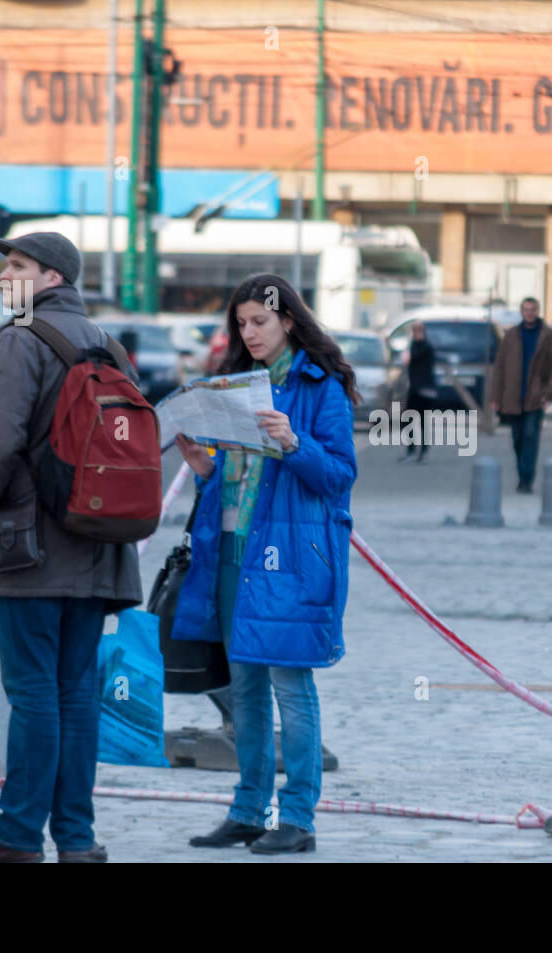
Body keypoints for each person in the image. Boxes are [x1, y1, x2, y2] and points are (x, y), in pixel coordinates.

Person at [0, 232, 143, 864]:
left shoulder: (19, 340)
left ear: (52, 277)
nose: (4, 276)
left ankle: (13, 837)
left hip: (30, 546)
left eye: (16, 267)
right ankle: (77, 839)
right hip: (101, 546)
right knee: (76, 692)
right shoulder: (111, 345)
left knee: (33, 691)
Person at [169, 273, 357, 855]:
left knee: (290, 687)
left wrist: (295, 443)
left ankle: (298, 817)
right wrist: (202, 466)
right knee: (245, 689)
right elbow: (230, 479)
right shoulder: (232, 385)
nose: (249, 332)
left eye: (260, 322)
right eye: (242, 323)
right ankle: (248, 810)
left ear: (289, 322)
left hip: (289, 557)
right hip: (229, 551)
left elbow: (339, 476)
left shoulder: (319, 386)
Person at [488, 296, 552, 493]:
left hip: (536, 397)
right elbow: (500, 367)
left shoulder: (548, 336)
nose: (529, 313)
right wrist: (495, 397)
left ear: (537, 311)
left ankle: (526, 480)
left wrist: (549, 392)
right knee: (517, 438)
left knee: (531, 437)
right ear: (521, 312)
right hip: (513, 396)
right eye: (525, 309)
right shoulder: (511, 336)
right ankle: (523, 472)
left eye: (532, 309)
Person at [400, 320, 437, 462]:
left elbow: (411, 357)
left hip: (424, 389)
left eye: (419, 330)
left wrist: (408, 355)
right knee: (410, 419)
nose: (417, 333)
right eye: (415, 330)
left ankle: (422, 451)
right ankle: (412, 450)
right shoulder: (416, 345)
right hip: (415, 389)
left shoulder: (425, 347)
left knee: (422, 421)